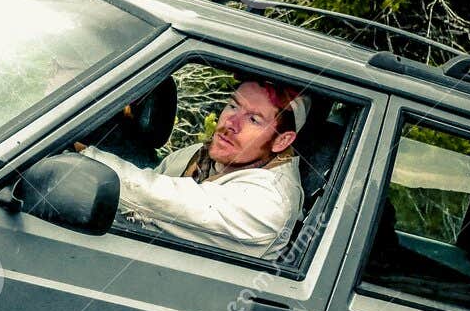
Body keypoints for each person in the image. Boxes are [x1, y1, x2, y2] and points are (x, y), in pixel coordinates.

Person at [75, 79, 309, 257]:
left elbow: (156, 197)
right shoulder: (199, 153)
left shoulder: (269, 202)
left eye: (253, 119)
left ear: (282, 141)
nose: (230, 123)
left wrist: (82, 158)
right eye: (233, 106)